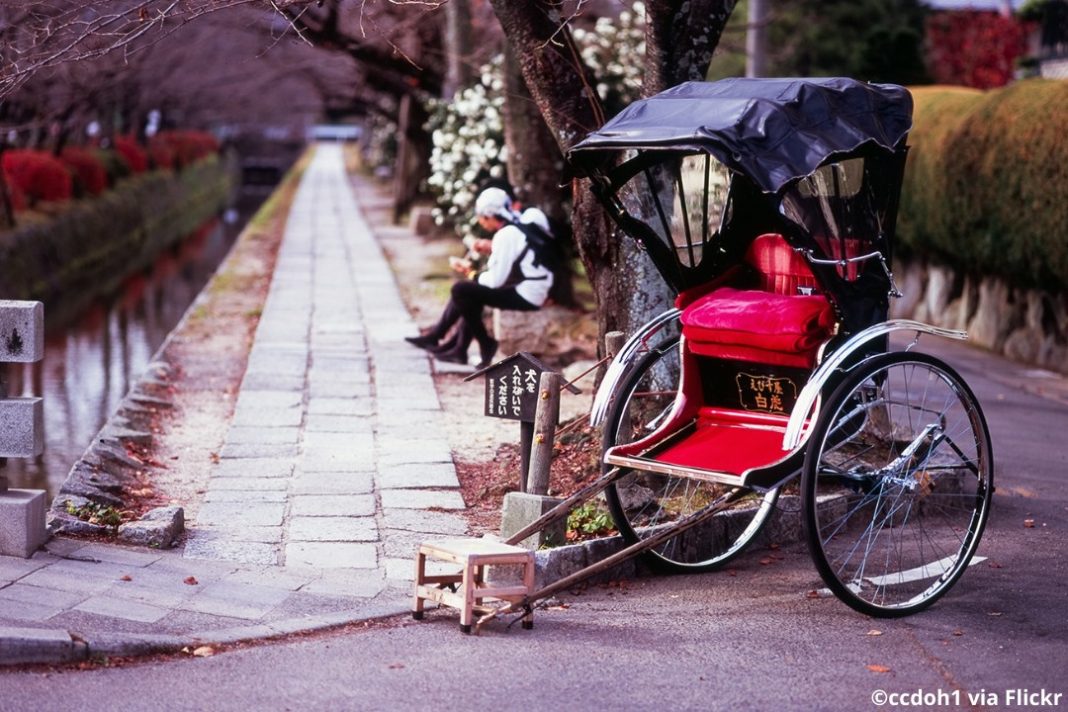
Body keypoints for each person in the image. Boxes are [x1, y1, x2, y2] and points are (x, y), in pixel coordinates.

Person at [405, 187, 554, 368]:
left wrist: (470, 272)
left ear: (489, 216)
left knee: (461, 289)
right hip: (537, 286)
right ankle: (455, 347)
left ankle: (484, 343)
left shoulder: (505, 234)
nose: (481, 222)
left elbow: (495, 282)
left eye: (481, 217)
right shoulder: (520, 223)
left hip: (528, 294)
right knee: (470, 293)